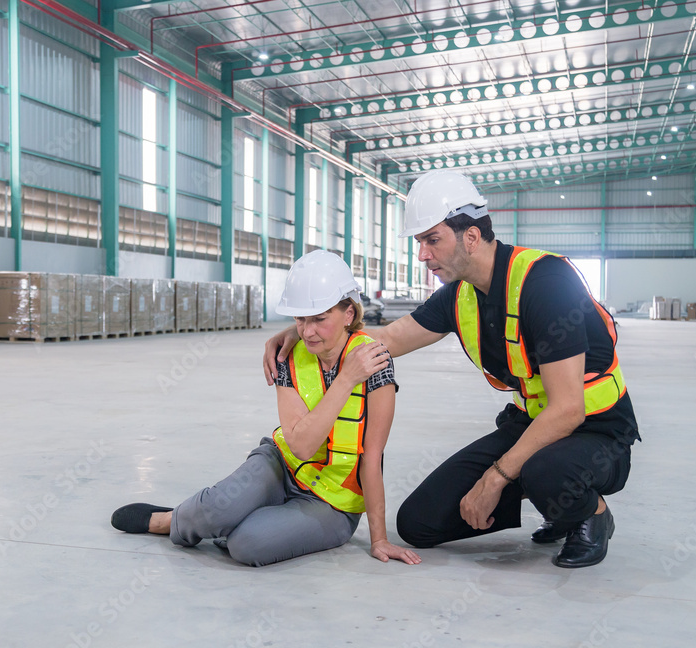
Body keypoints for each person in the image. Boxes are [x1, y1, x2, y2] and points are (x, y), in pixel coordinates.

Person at [264, 171, 639, 568]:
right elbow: (384, 339)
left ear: (471, 237)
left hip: (597, 432)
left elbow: (568, 409)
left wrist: (495, 478)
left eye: (432, 240)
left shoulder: (545, 282)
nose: (422, 254)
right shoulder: (459, 297)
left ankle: (589, 513)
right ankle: (553, 499)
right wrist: (310, 328)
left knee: (548, 470)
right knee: (418, 523)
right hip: (529, 426)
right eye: (420, 242)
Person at [112, 250, 420, 567]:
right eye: (300, 319)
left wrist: (379, 538)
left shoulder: (376, 364)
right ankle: (169, 520)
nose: (307, 331)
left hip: (333, 503)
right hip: (281, 465)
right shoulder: (288, 355)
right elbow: (300, 446)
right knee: (220, 509)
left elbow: (373, 457)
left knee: (248, 545)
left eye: (319, 319)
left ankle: (222, 520)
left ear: (348, 313)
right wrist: (345, 380)